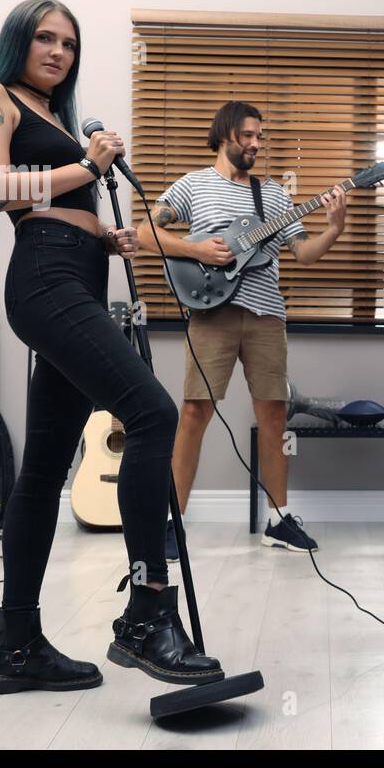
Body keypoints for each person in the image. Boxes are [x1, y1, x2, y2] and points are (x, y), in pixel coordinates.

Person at [0, 0, 221, 693]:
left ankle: (15, 646)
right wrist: (86, 167)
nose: (57, 52)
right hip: (45, 280)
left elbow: (59, 199)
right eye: (44, 38)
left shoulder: (58, 116)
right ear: (18, 39)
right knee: (154, 414)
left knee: (47, 469)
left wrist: (98, 231)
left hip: (76, 270)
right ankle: (145, 616)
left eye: (69, 44)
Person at [137, 101, 347, 554]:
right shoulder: (192, 186)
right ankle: (169, 524)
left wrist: (333, 229)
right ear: (224, 134)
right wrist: (198, 252)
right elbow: (145, 233)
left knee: (274, 415)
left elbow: (304, 254)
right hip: (211, 314)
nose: (255, 144)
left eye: (258, 137)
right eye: (247, 136)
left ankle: (278, 519)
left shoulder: (271, 195)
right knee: (195, 412)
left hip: (267, 314)